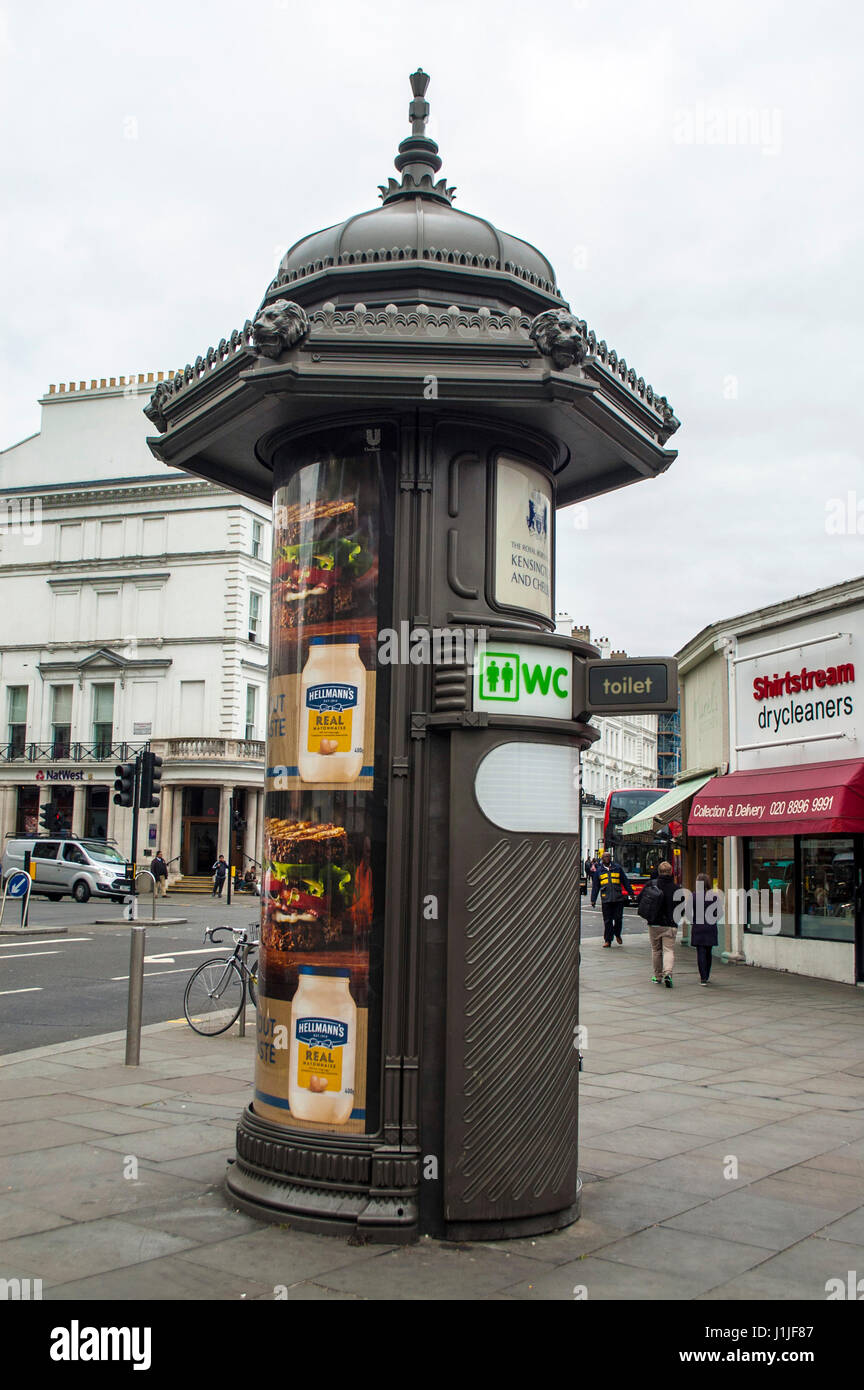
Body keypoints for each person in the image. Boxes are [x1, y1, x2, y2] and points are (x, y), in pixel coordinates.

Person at [590, 849, 634, 947]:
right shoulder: (599, 871)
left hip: (618, 898)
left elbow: (625, 881)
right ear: (602, 859)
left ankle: (617, 934)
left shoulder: (617, 868)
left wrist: (631, 893)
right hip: (606, 899)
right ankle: (608, 940)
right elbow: (596, 887)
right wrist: (593, 899)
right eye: (605, 857)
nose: (607, 858)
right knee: (607, 920)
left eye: (609, 856)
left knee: (618, 919)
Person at [649, 860, 678, 987]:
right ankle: (668, 973)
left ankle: (657, 976)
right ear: (671, 872)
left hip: (654, 923)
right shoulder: (676, 888)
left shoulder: (651, 885)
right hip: (670, 924)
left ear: (659, 872)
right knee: (668, 950)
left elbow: (641, 900)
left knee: (656, 950)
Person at [690, 871, 720, 985]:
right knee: (708, 952)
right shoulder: (714, 897)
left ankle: (703, 977)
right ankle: (707, 974)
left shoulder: (693, 896)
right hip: (710, 927)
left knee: (700, 952)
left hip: (698, 926)